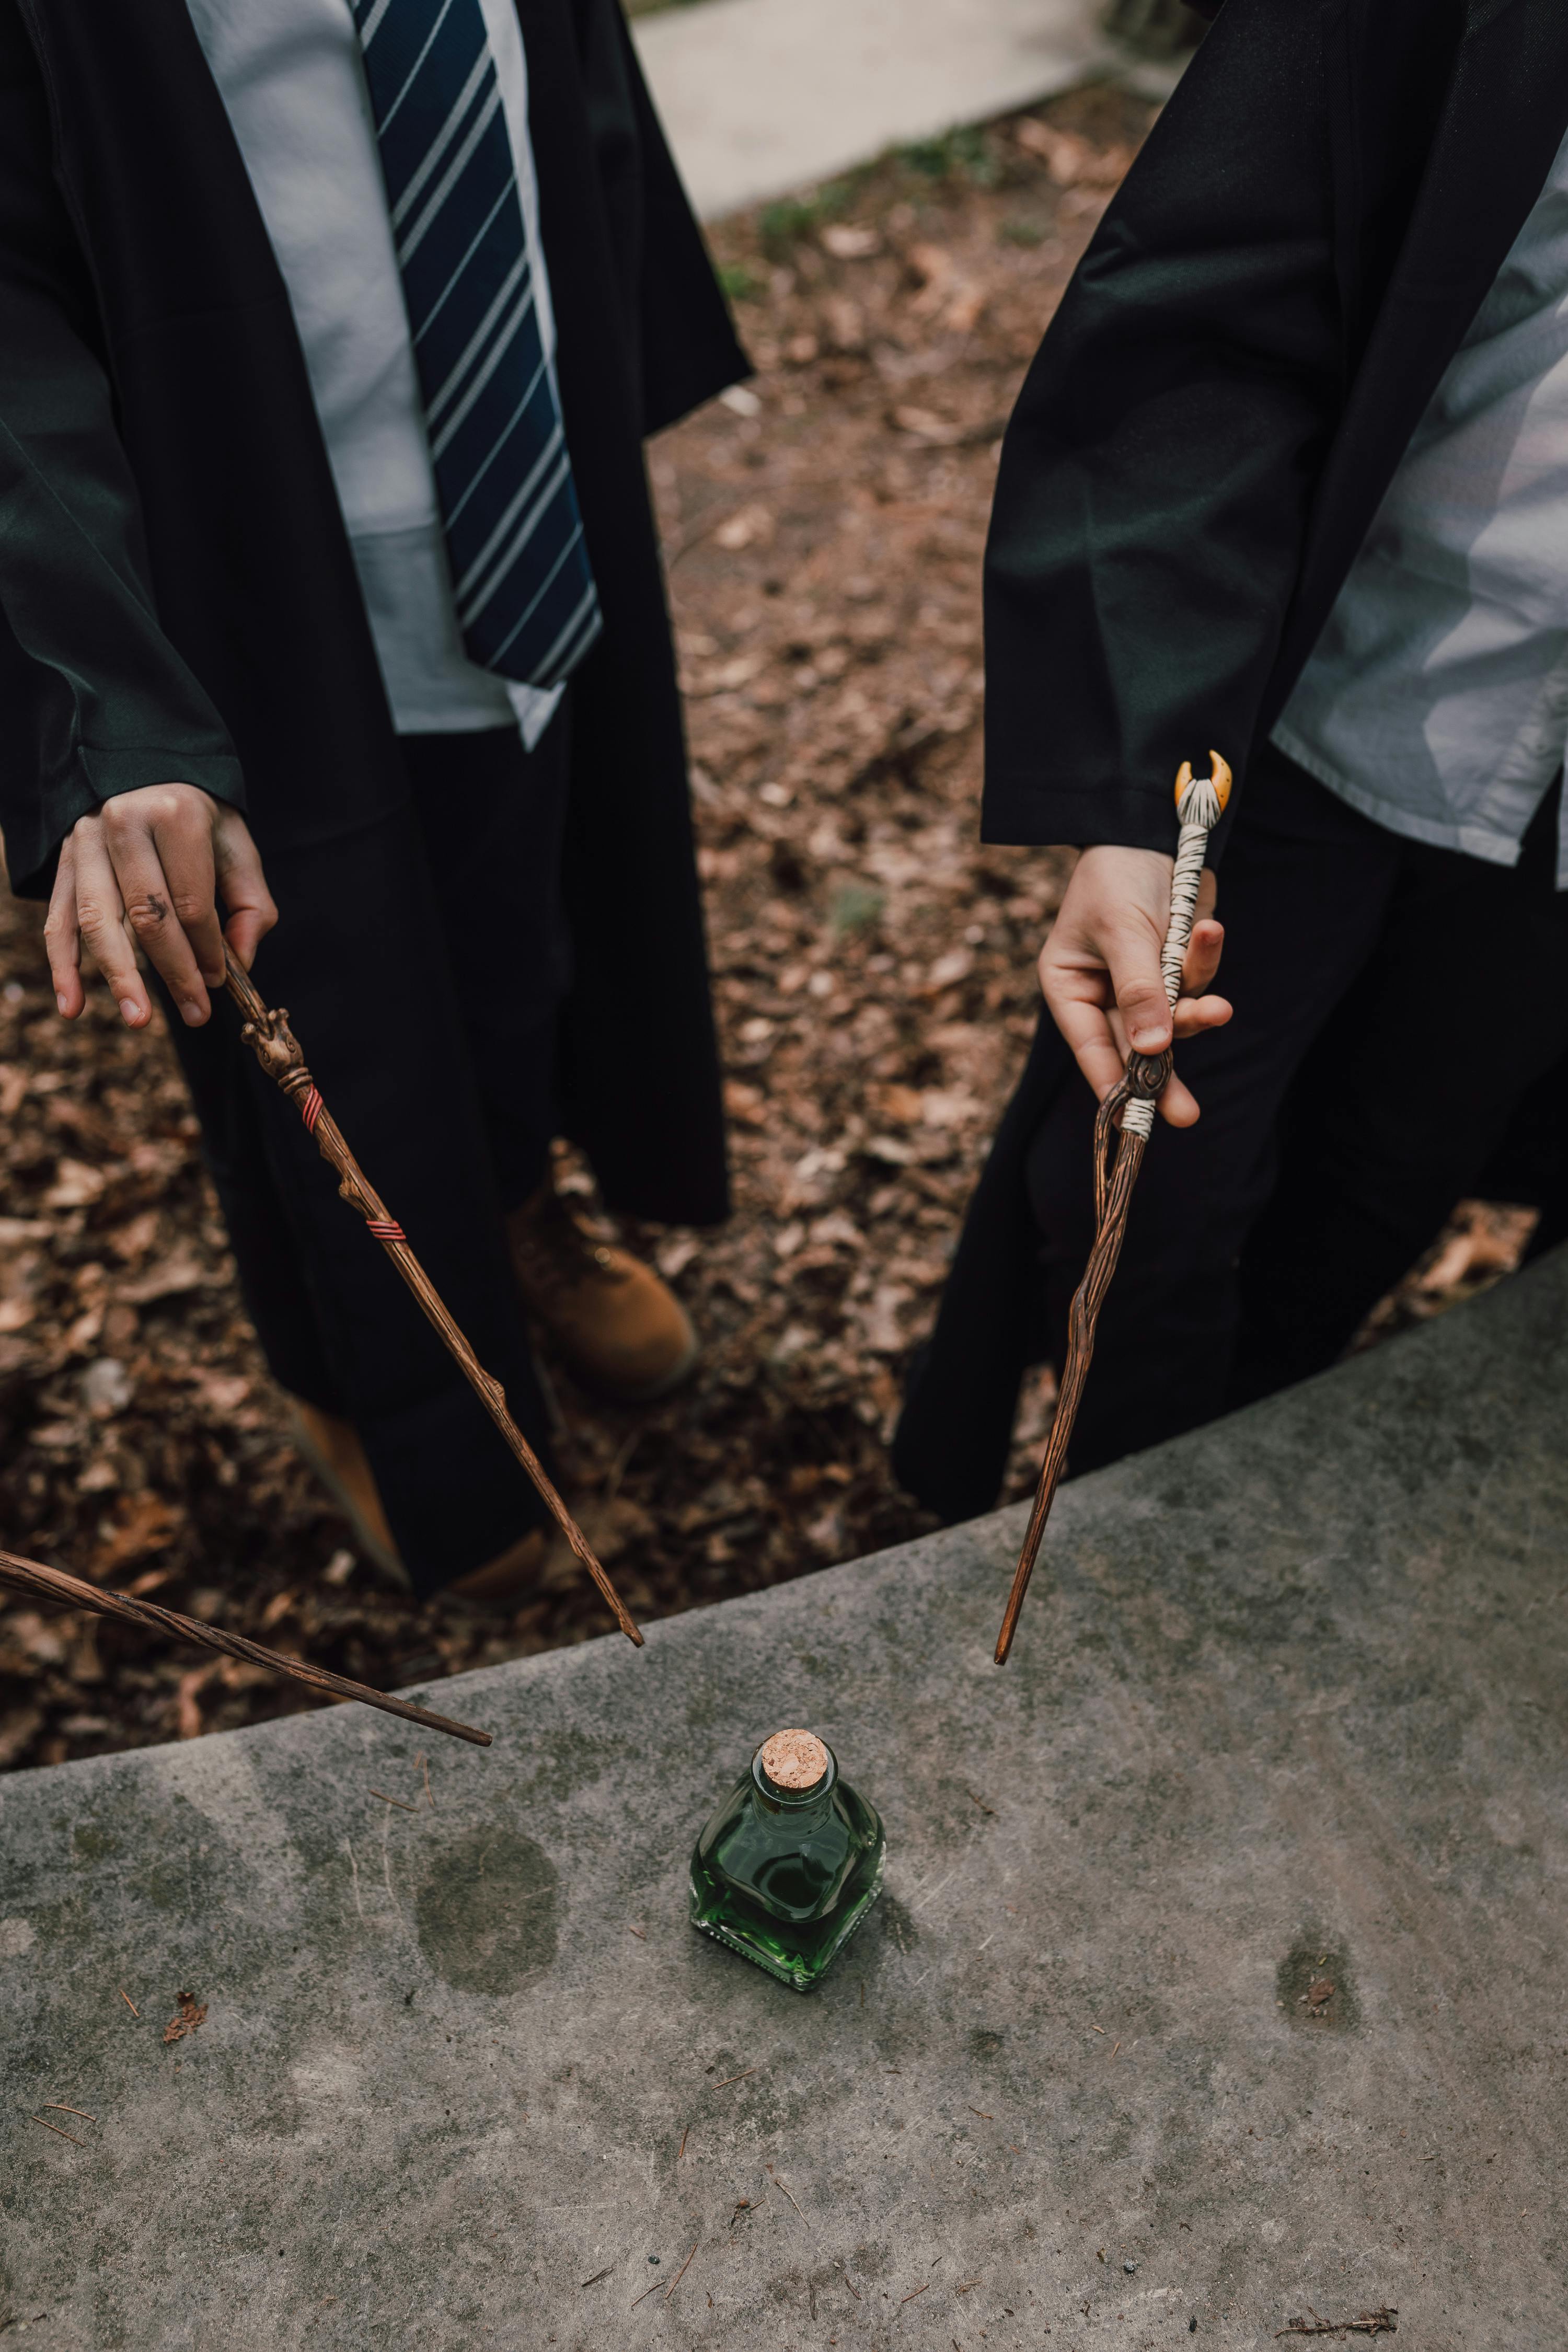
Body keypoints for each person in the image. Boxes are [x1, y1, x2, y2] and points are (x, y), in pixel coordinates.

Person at [0, 0, 747, 1598]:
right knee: (294, 990)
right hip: (243, 527)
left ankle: (511, 1196)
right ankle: (352, 1373)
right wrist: (100, 683)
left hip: (514, 464)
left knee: (518, 902)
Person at [895, 0, 1568, 1521]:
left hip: (1551, 845)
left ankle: (1223, 1524)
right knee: (1150, 1185)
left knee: (1395, 1165)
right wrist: (1140, 790)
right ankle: (1110, 1531)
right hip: (1347, 683)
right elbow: (1218, 307)